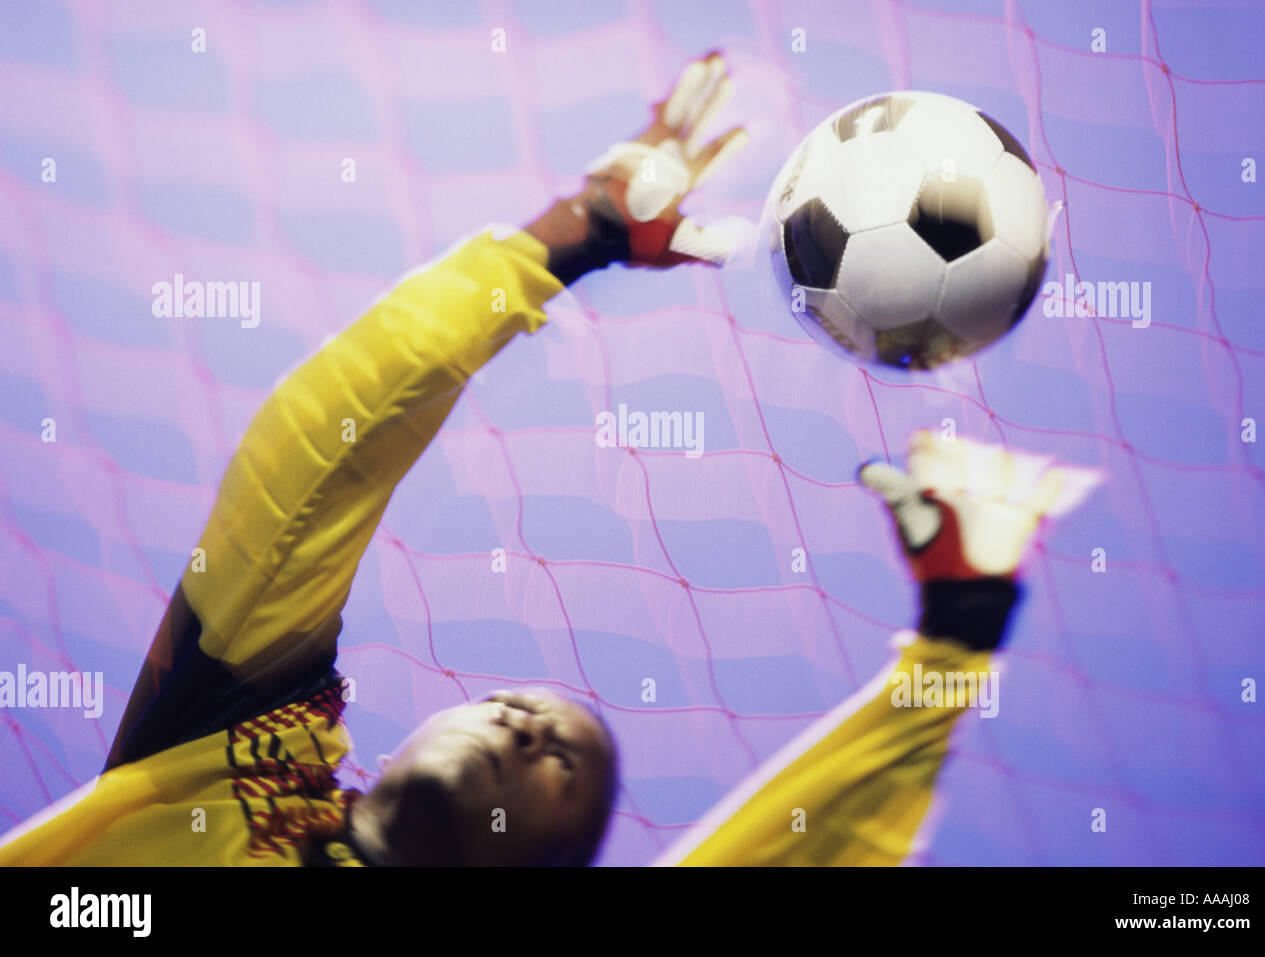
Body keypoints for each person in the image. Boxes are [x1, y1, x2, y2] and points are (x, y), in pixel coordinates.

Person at [0, 51, 1094, 867]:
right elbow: (313, 463)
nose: (525, 722)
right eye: (518, 706)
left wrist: (952, 649)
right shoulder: (219, 779)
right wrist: (571, 234)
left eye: (561, 760)